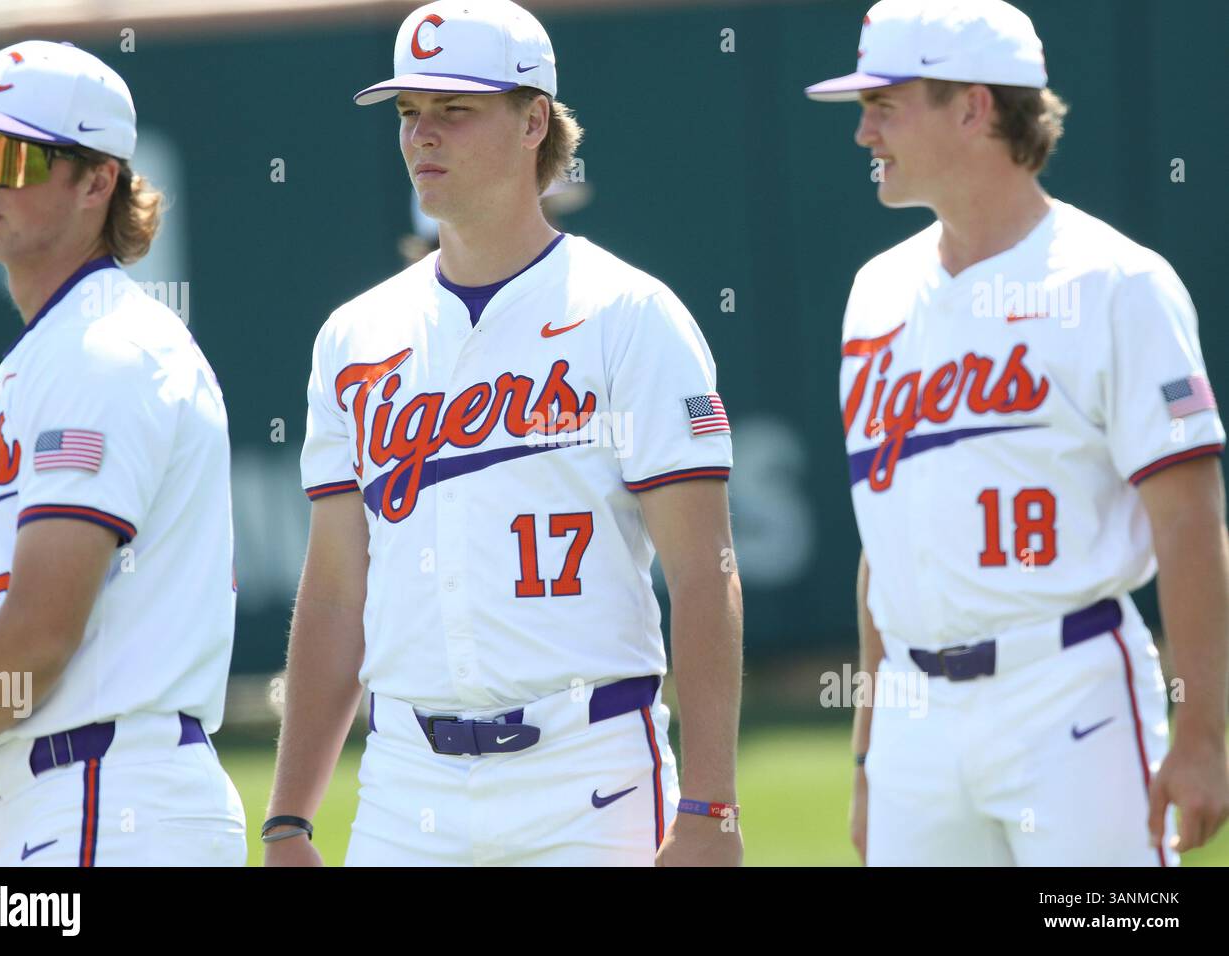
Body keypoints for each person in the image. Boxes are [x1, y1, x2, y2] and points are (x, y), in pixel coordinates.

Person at [264, 0, 744, 866]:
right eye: (410, 113)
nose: (422, 136)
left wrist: (710, 805)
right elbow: (337, 590)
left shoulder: (629, 314)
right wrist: (290, 818)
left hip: (590, 772)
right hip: (407, 782)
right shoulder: (354, 335)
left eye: (454, 110)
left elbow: (704, 575)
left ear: (533, 122)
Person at [806, 0, 1229, 866]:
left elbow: (1189, 521)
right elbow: (884, 544)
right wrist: (866, 755)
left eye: (883, 105)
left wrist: (1206, 733)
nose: (864, 134)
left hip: (1071, 691)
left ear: (974, 106)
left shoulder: (1117, 282)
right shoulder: (876, 293)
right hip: (916, 718)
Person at [0, 40, 246, 866]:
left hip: (115, 806)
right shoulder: (42, 359)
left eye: (13, 155)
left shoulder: (105, 349)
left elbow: (37, 636)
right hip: (64, 806)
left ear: (98, 180)